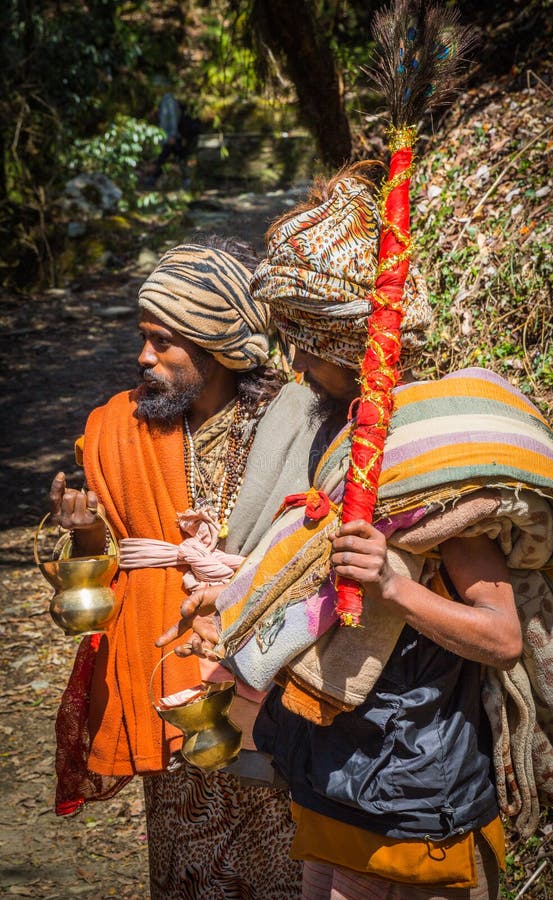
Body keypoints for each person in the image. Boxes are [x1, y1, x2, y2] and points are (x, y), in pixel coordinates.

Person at [172, 162, 553, 899]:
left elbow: (497, 637)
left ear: (351, 347)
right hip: (334, 774)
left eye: (310, 346)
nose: (298, 366)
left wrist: (396, 587)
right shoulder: (348, 453)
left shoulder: (433, 483)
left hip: (412, 801)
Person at [49, 234, 327, 899]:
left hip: (270, 692)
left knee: (283, 870)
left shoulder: (300, 425)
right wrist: (87, 535)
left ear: (224, 348)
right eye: (144, 338)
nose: (144, 357)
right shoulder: (117, 432)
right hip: (166, 703)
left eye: (164, 342)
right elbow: (88, 595)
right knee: (187, 874)